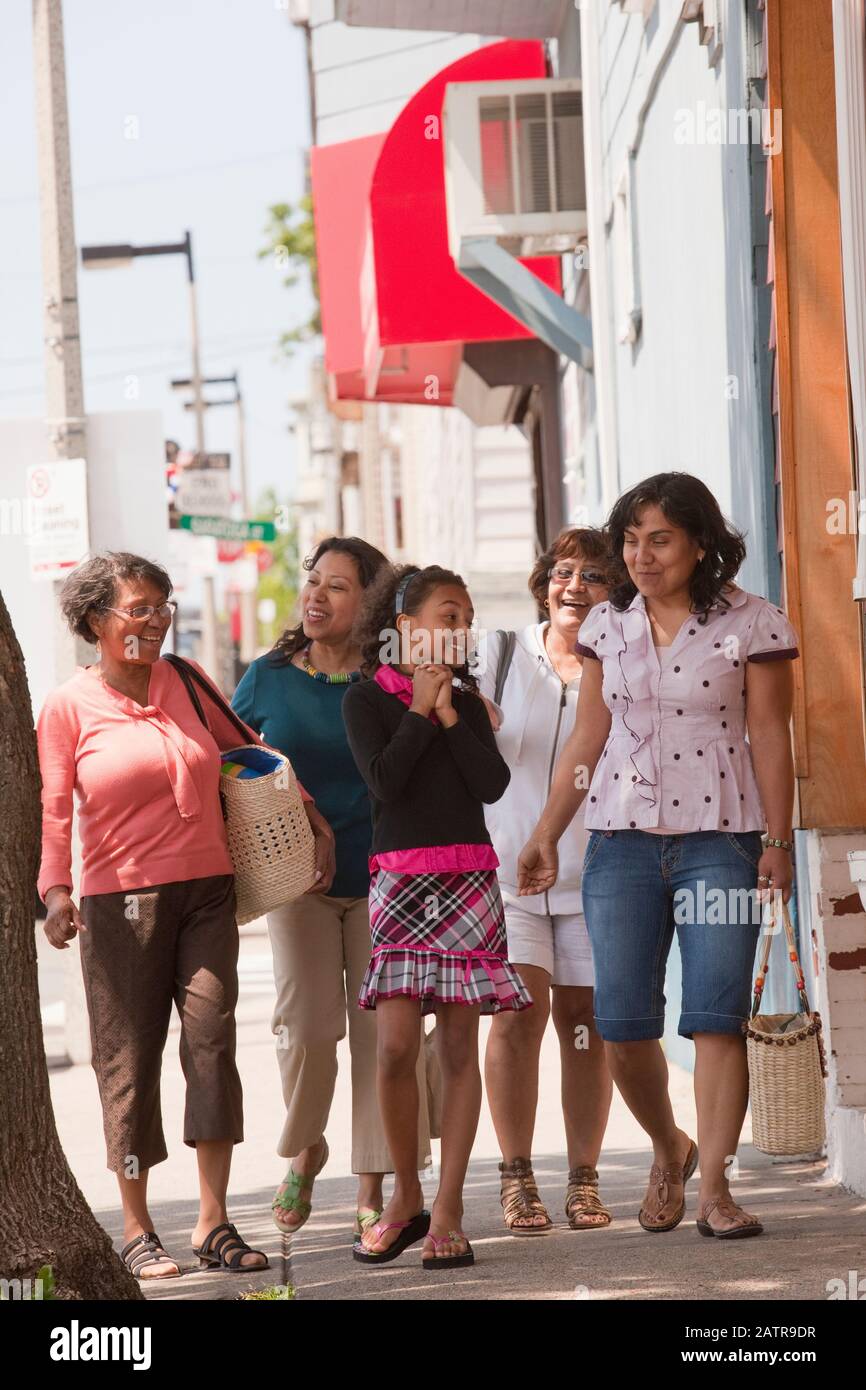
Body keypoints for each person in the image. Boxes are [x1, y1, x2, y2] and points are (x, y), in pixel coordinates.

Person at [36, 551, 335, 1279]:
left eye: (161, 605)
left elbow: (252, 753)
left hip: (208, 891)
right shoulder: (69, 706)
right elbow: (53, 813)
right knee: (128, 1064)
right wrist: (56, 892)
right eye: (137, 608)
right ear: (94, 622)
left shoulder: (188, 680)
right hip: (119, 903)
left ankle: (213, 1221)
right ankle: (136, 1227)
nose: (154, 620)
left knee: (211, 1046)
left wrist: (313, 818)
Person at [518, 473, 799, 1240]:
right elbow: (588, 736)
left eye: (660, 538)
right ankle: (668, 1148)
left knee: (716, 1017)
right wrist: (547, 830)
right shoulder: (606, 627)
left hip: (725, 839)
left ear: (700, 543)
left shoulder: (755, 623)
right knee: (622, 1025)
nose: (641, 555)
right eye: (632, 539)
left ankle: (715, 1189)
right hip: (620, 844)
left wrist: (778, 840)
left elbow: (771, 734)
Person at [232, 537, 432, 1242]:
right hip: (297, 881)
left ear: (371, 604)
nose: (316, 596)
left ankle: (372, 1180)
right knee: (308, 1027)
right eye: (312, 582)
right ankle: (306, 1145)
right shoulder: (267, 677)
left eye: (338, 587)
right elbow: (233, 763)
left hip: (386, 879)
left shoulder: (391, 684)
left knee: (381, 1035)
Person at [342, 564, 531, 1269]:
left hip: (468, 885)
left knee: (457, 1051)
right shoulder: (365, 700)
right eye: (447, 614)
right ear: (405, 627)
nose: (460, 628)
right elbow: (386, 781)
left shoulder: (472, 706)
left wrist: (450, 712)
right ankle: (406, 1197)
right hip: (399, 884)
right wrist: (420, 710)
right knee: (393, 1047)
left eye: (466, 617)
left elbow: (492, 784)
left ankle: (449, 1212)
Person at [480, 529, 613, 1235]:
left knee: (586, 1025)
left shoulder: (620, 658)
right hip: (510, 878)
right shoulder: (500, 655)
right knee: (517, 1017)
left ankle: (584, 1180)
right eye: (564, 572)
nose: (575, 586)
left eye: (594, 576)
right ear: (543, 583)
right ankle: (517, 1177)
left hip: (597, 876)